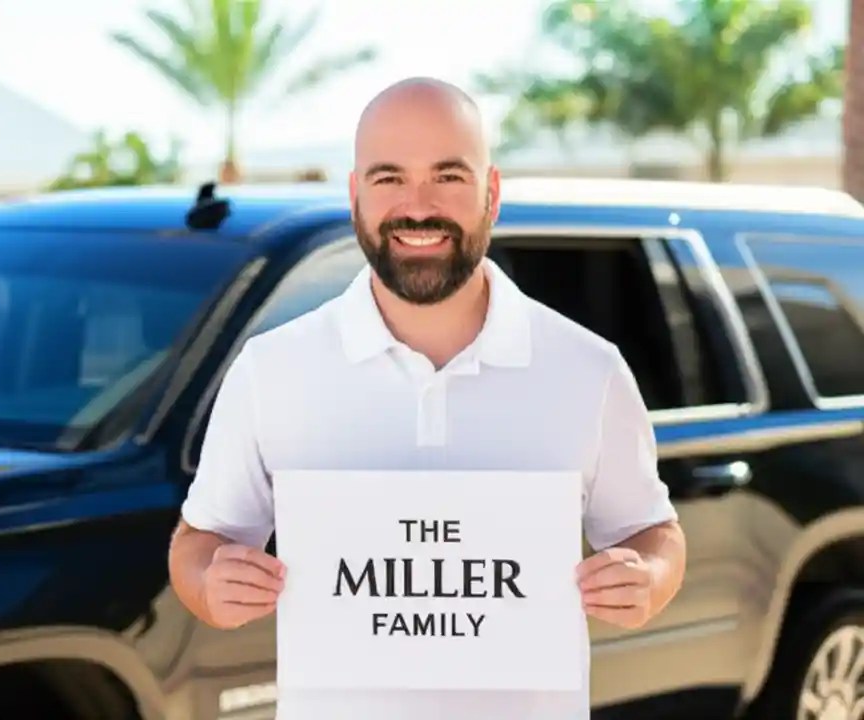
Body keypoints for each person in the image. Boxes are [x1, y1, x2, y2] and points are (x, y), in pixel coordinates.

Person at [168, 77, 687, 718]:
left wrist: (651, 578)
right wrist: (208, 583)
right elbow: (199, 540)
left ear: (490, 193)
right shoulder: (271, 369)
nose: (418, 206)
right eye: (389, 178)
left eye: (448, 176)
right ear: (355, 195)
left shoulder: (588, 369)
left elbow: (653, 530)